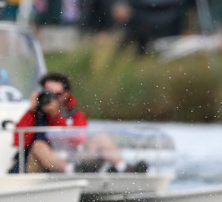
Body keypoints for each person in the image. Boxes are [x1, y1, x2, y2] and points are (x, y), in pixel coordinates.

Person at [11, 73, 142, 174]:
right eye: (48, 94)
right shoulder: (34, 114)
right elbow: (19, 141)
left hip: (69, 156)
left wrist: (55, 116)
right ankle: (72, 170)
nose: (52, 99)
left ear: (66, 94)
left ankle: (123, 168)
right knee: (39, 146)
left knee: (101, 137)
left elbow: (76, 140)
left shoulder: (75, 114)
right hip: (43, 162)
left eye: (57, 94)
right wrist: (32, 110)